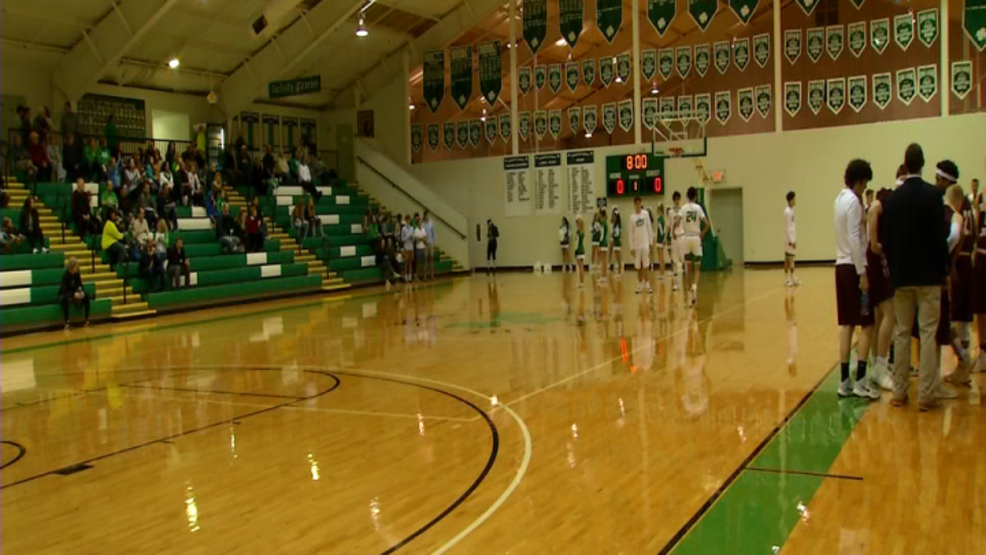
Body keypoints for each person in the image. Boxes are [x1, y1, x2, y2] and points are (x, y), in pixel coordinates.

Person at [883, 145, 948, 411]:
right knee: (928, 334)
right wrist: (943, 269)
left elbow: (887, 239)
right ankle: (926, 395)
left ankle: (899, 393)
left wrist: (896, 269)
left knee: (901, 333)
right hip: (929, 276)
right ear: (922, 165)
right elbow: (938, 238)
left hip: (902, 277)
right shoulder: (933, 196)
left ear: (905, 164)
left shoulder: (894, 199)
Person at [834, 159, 880, 400]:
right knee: (868, 324)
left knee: (846, 325)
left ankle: (844, 381)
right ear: (860, 181)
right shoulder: (853, 202)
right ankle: (861, 380)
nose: (865, 188)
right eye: (864, 183)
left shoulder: (839, 199)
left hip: (840, 267)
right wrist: (863, 272)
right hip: (853, 268)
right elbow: (854, 238)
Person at [864, 185, 896, 391]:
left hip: (873, 260)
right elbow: (874, 210)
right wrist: (875, 243)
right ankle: (881, 366)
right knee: (890, 313)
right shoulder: (888, 197)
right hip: (877, 258)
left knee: (877, 314)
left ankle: (876, 363)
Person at [943, 183, 974, 387]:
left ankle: (964, 360)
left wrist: (950, 263)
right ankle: (964, 360)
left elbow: (959, 235)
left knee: (954, 317)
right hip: (967, 262)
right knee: (959, 316)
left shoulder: (957, 213)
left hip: (959, 264)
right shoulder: (970, 209)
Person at [680, 187, 710, 307]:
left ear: (687, 196)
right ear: (696, 196)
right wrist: (702, 233)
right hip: (696, 238)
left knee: (688, 268)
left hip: (686, 238)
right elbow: (707, 224)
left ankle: (690, 288)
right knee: (697, 268)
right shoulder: (698, 208)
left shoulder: (683, 208)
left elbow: (677, 220)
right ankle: (695, 286)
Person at [630, 196, 654, 295]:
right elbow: (631, 233)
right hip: (636, 245)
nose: (638, 205)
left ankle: (647, 285)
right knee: (638, 266)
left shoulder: (645, 214)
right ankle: (639, 285)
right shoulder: (632, 218)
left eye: (639, 203)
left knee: (646, 266)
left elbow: (649, 228)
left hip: (645, 244)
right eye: (636, 203)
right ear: (634, 204)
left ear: (641, 203)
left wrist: (650, 242)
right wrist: (631, 247)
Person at [58, 258, 90, 330]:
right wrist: (73, 294)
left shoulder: (77, 274)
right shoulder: (65, 275)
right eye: (76, 266)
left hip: (75, 293)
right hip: (65, 294)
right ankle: (67, 322)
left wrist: (81, 291)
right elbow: (64, 290)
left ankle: (87, 319)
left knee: (87, 295)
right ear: (72, 267)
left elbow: (80, 285)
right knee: (64, 300)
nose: (77, 268)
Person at [668, 192, 684, 291]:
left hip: (682, 237)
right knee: (674, 260)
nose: (677, 201)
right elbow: (669, 225)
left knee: (683, 260)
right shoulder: (670, 212)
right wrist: (666, 237)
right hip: (674, 238)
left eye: (678, 199)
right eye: (676, 199)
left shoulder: (683, 210)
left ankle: (685, 281)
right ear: (673, 200)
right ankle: (676, 283)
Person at [784, 192, 800, 287]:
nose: (795, 201)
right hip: (789, 240)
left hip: (792, 238)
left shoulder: (791, 210)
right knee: (788, 259)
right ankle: (787, 279)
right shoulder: (787, 212)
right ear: (790, 200)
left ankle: (792, 277)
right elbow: (787, 227)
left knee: (792, 259)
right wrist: (791, 241)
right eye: (794, 199)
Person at [401, 215, 415, 282]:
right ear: (406, 221)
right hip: (406, 247)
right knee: (406, 263)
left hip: (411, 247)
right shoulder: (403, 228)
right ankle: (405, 276)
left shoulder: (412, 228)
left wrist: (413, 238)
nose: (408, 221)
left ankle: (410, 276)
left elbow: (414, 239)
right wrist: (408, 236)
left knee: (410, 262)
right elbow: (402, 239)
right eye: (407, 220)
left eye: (409, 220)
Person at [423, 211, 436, 281]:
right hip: (425, 243)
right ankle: (425, 276)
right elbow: (422, 234)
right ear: (424, 216)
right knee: (425, 260)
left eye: (428, 215)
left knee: (431, 259)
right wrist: (424, 242)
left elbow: (433, 233)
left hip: (430, 243)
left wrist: (433, 242)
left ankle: (432, 275)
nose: (427, 217)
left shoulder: (431, 223)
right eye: (426, 215)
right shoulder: (422, 224)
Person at [654, 206, 666, 279]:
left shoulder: (660, 219)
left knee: (660, 257)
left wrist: (662, 238)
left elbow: (661, 230)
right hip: (660, 239)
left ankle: (662, 274)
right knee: (661, 257)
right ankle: (662, 273)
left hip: (660, 239)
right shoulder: (663, 219)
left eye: (658, 210)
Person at [574, 215, 586, 287]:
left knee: (580, 267)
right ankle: (582, 282)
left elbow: (576, 243)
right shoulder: (583, 231)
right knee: (582, 267)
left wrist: (575, 251)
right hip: (582, 249)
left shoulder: (578, 232)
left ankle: (581, 282)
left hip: (579, 250)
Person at [598, 208, 609, 282]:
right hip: (606, 242)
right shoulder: (606, 222)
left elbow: (601, 235)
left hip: (602, 242)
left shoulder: (602, 222)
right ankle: (604, 276)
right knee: (604, 260)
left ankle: (603, 276)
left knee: (602, 260)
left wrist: (599, 243)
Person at [611, 209, 623, 276]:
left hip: (617, 242)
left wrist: (613, 234)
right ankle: (618, 271)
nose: (614, 218)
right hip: (616, 242)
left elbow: (617, 234)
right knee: (617, 257)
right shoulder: (615, 225)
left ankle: (619, 272)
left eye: (615, 216)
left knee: (618, 258)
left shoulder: (617, 226)